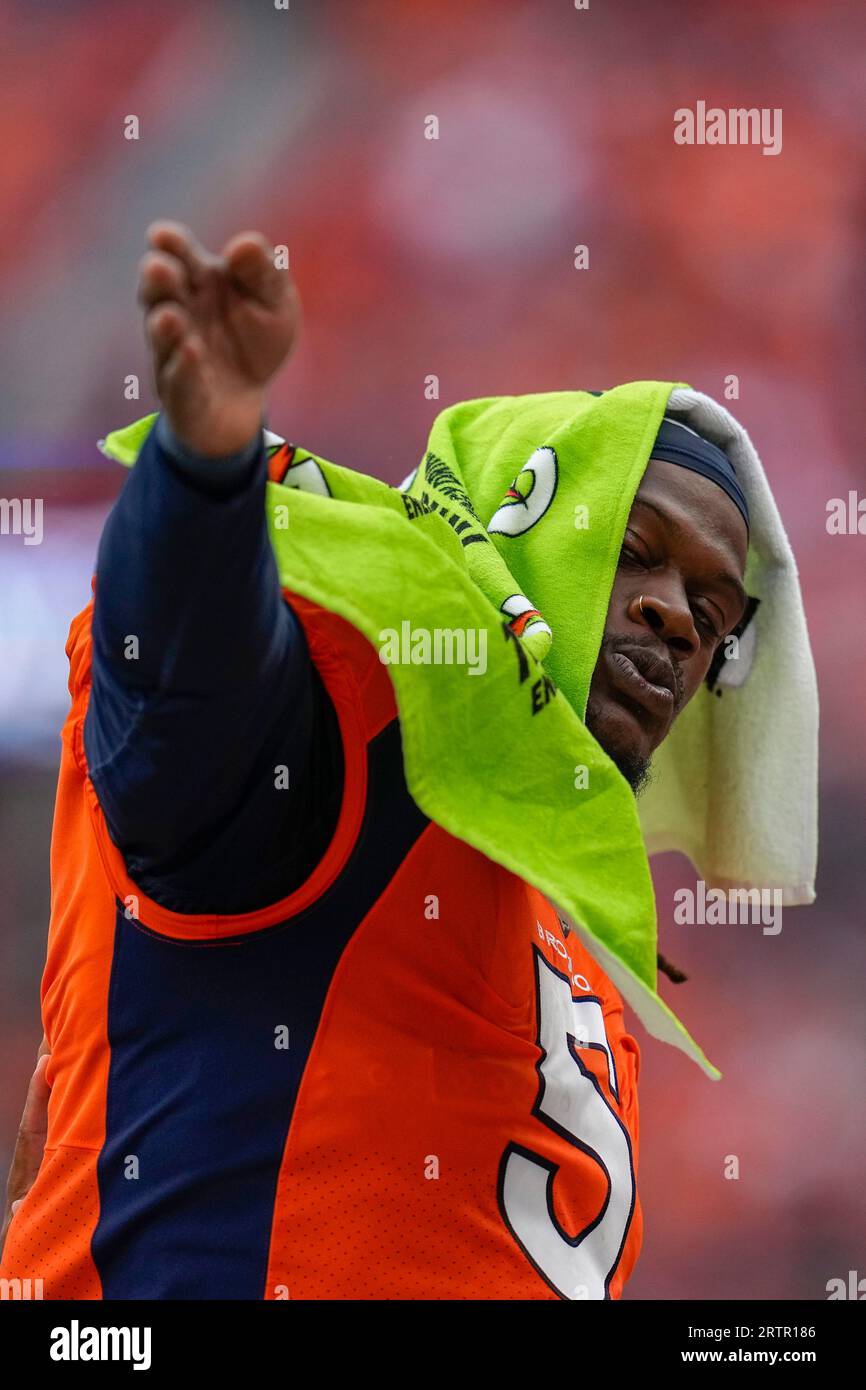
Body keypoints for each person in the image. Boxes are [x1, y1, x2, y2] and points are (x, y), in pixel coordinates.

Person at [0, 223, 817, 1300]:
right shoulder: (357, 733)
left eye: (710, 614)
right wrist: (203, 482)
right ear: (513, 532)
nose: (673, 619)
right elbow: (179, 715)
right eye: (629, 552)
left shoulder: (558, 929)